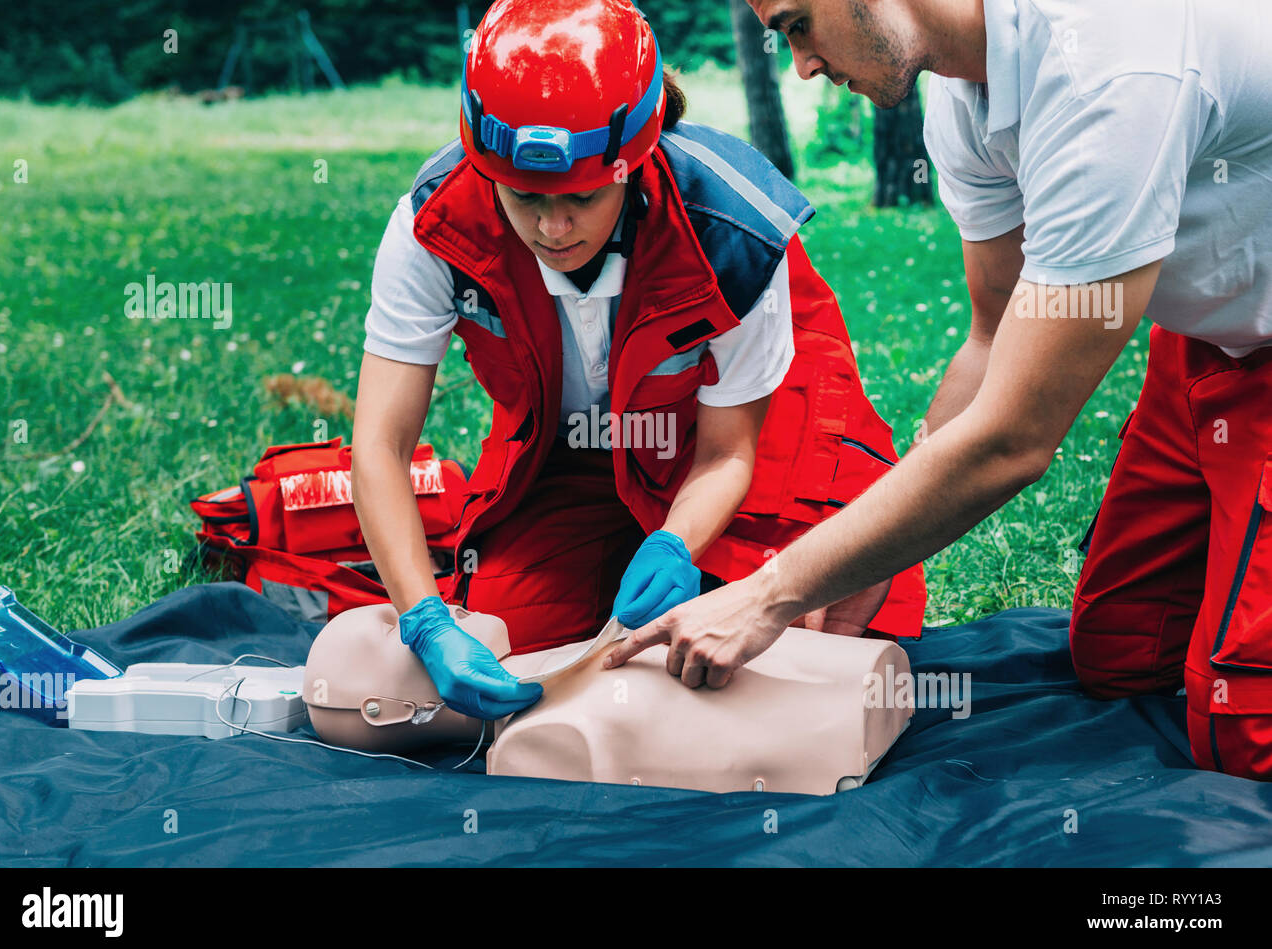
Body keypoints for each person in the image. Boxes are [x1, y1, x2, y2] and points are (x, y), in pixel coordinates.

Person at [608, 0, 1272, 781]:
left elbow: (1012, 441)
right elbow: (992, 341)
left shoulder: (1110, 69)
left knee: (1246, 729)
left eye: (797, 25)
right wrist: (867, 560)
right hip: (1199, 346)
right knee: (1120, 654)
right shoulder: (969, 98)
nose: (804, 65)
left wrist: (768, 594)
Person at [350, 0, 926, 722]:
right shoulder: (431, 226)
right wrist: (424, 618)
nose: (552, 227)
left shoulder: (732, 227)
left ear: (634, 163)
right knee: (514, 645)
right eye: (524, 197)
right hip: (576, 452)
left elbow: (727, 453)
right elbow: (379, 444)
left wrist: (675, 544)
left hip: (762, 424)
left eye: (582, 198)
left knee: (801, 640)